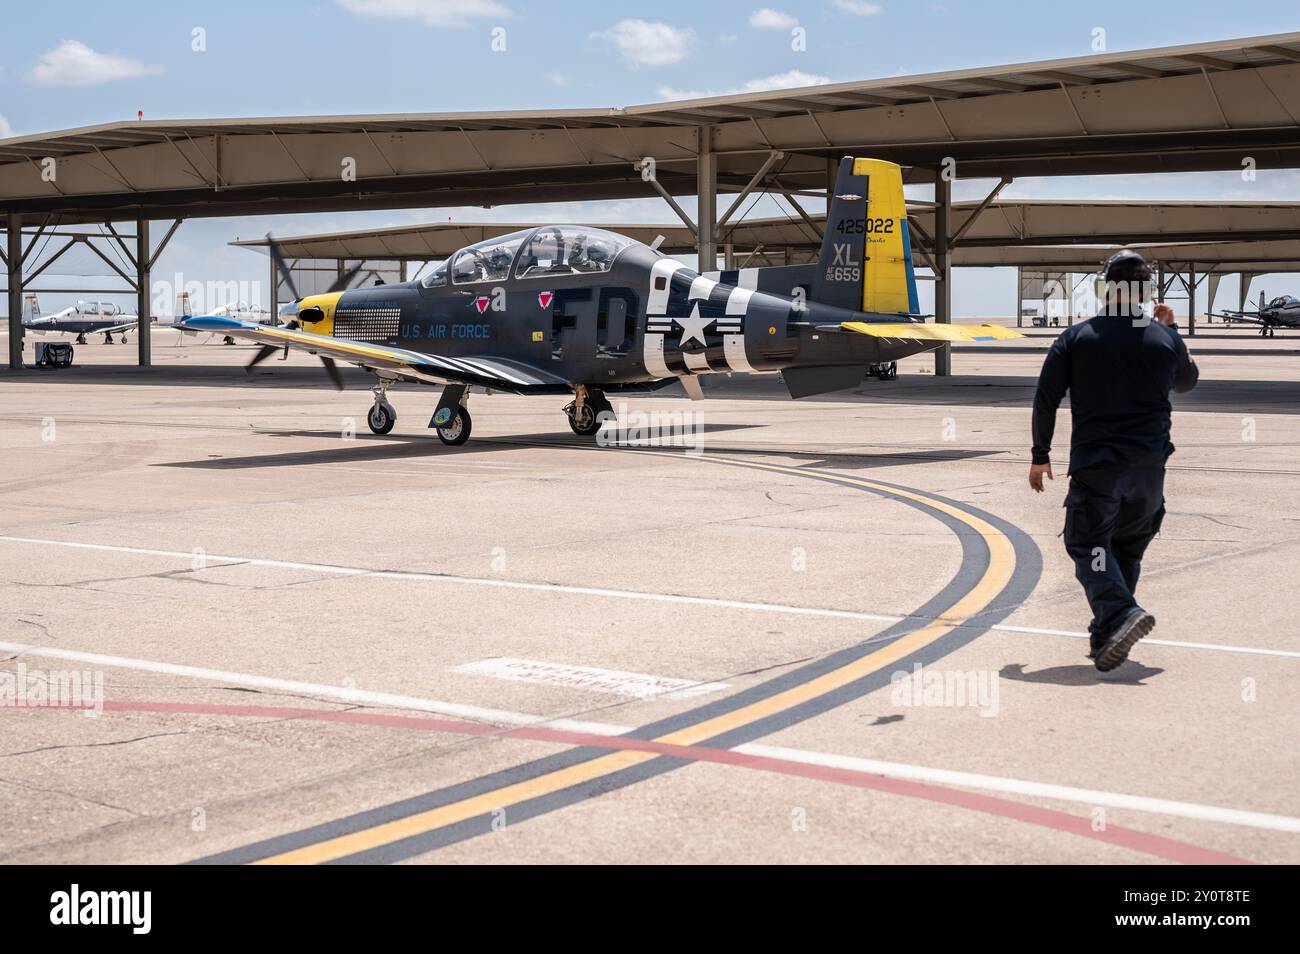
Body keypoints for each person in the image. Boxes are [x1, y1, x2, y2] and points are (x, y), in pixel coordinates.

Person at [1029, 249, 1199, 671]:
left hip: (1098, 468)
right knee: (1124, 549)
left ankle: (1121, 613)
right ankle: (1107, 637)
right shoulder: (1165, 338)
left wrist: (1040, 454)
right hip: (1149, 471)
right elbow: (1188, 381)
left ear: (1105, 289)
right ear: (1145, 292)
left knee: (1086, 544)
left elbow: (1046, 398)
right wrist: (1173, 330)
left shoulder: (1077, 337)